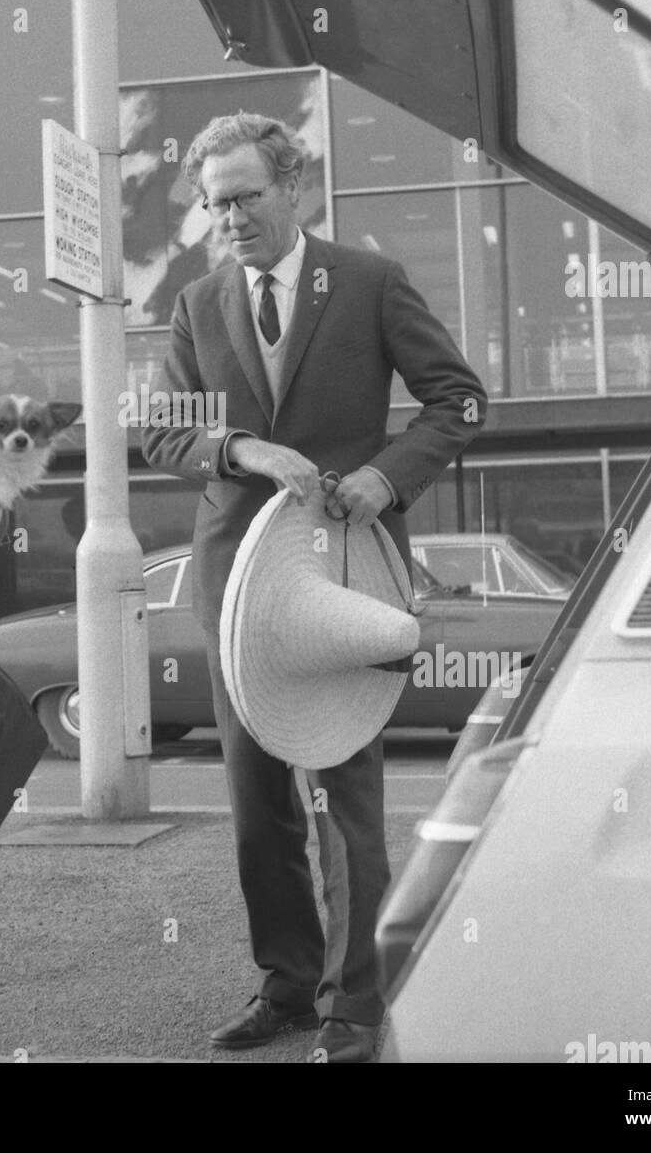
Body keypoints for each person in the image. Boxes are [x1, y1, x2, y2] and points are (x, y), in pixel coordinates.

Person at [142, 113, 488, 1063]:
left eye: (247, 197)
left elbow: (457, 399)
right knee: (258, 803)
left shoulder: (369, 282)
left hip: (345, 579)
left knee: (347, 801)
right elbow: (164, 434)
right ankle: (288, 989)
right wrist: (239, 446)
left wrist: (388, 475)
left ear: (293, 187)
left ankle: (355, 1009)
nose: (232, 220)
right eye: (216, 207)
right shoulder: (196, 304)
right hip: (237, 588)